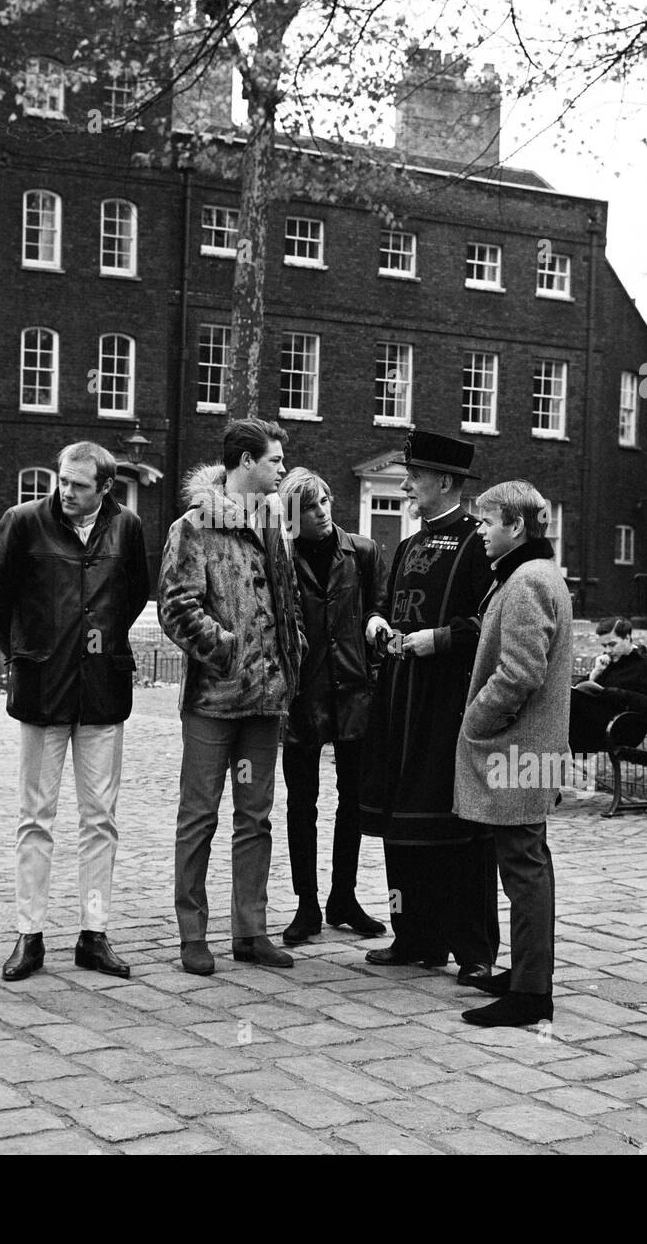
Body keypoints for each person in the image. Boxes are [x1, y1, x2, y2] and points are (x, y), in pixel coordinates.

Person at [0, 442, 149, 982]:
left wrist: (103, 642)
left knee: (101, 818)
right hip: (43, 687)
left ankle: (93, 934)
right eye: (62, 480)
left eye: (78, 485)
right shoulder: (23, 522)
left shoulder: (128, 528)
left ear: (105, 488)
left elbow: (135, 594)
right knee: (36, 817)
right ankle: (30, 934)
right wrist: (22, 650)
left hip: (102, 691)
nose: (66, 491)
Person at [158, 417, 306, 976]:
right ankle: (193, 934)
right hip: (214, 701)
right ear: (245, 462)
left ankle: (251, 931)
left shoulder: (275, 523)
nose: (282, 469)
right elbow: (176, 606)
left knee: (256, 818)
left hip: (267, 701)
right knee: (198, 818)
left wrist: (292, 649)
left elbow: (285, 602)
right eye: (274, 460)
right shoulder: (194, 526)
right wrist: (224, 650)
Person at [358, 429, 499, 978]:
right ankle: (413, 935)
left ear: (445, 481)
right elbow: (390, 601)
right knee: (402, 826)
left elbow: (487, 625)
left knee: (455, 832)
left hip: (445, 706)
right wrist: (378, 622)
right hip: (399, 700)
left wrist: (435, 640)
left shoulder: (475, 541)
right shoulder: (411, 542)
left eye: (415, 476)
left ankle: (475, 952)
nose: (407, 484)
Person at [455, 479, 572, 1028]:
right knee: (530, 862)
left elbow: (520, 674)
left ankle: (530, 993)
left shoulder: (527, 581)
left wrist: (474, 720)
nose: (479, 531)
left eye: (487, 521)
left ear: (517, 526)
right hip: (531, 748)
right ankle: (530, 971)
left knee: (523, 867)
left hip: (516, 750)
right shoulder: (540, 573)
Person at [277, 468, 387, 946]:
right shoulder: (279, 557)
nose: (321, 513)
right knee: (302, 804)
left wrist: (376, 622)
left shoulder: (362, 552)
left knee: (353, 802)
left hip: (353, 690)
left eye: (324, 502)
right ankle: (307, 904)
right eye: (309, 508)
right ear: (291, 517)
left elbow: (379, 603)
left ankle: (344, 896)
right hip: (303, 694)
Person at [569, 617, 647, 755]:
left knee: (568, 705)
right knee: (568, 698)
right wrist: (595, 673)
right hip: (599, 721)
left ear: (627, 638)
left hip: (624, 726)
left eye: (612, 644)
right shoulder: (609, 663)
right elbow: (581, 689)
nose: (608, 650)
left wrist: (621, 694)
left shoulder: (645, 665)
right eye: (604, 646)